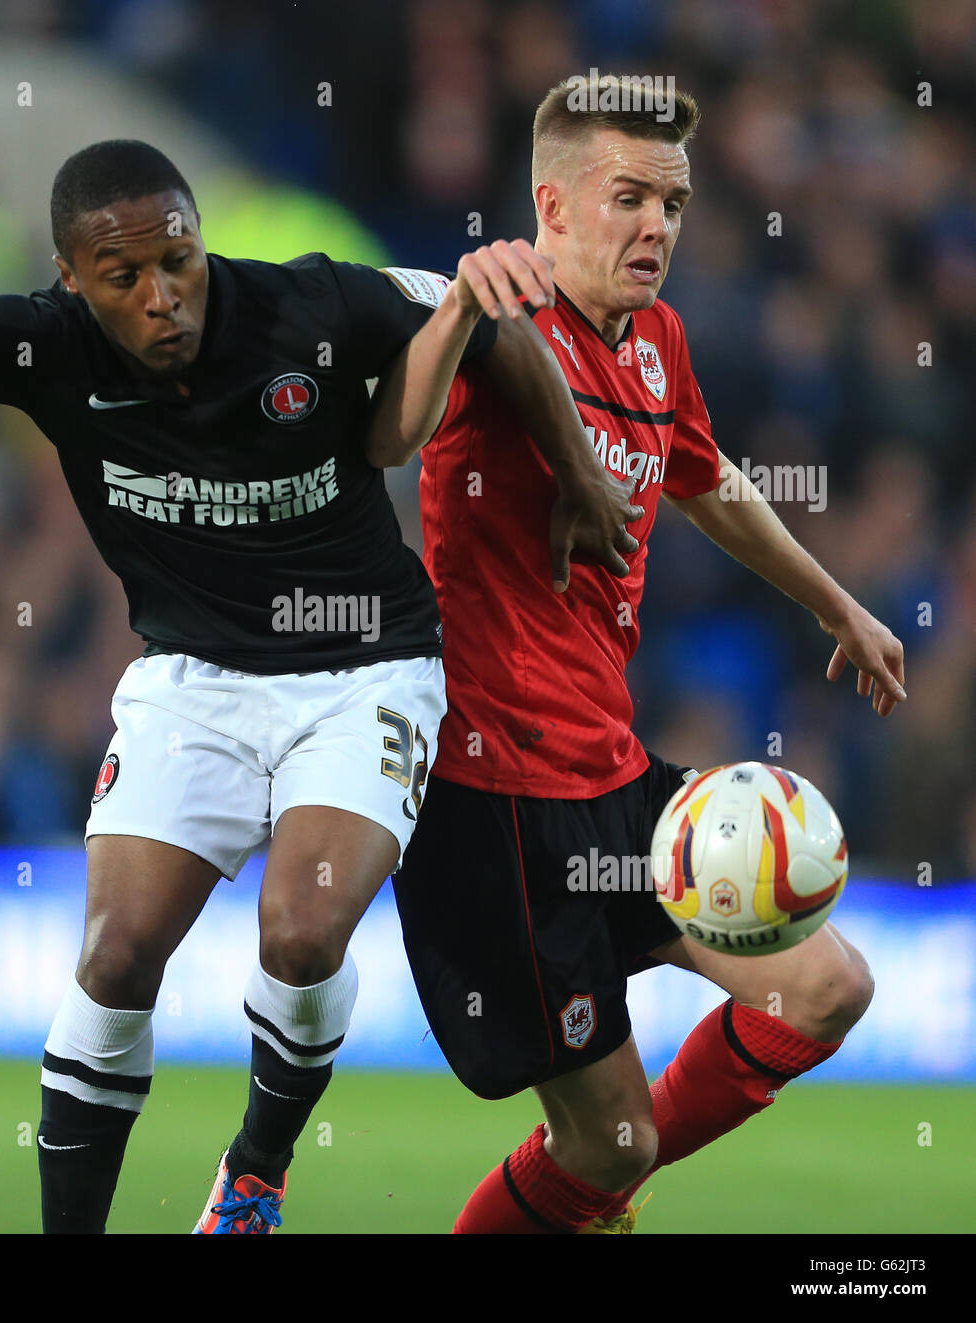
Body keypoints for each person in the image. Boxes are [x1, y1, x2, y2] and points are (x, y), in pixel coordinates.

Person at [0, 139, 638, 1233]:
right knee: (115, 953)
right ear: (72, 276)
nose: (161, 297)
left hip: (363, 667)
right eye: (123, 278)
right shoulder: (39, 344)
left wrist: (574, 471)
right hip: (191, 682)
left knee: (301, 929)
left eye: (176, 261)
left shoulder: (310, 304)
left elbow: (488, 320)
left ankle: (254, 1175)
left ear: (198, 240)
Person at [368, 76, 905, 1234]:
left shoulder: (656, 339)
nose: (657, 224)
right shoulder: (495, 326)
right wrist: (458, 306)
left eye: (673, 201)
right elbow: (395, 432)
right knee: (611, 1146)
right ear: (551, 210)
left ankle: (598, 1183)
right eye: (629, 198)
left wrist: (836, 607)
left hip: (611, 777)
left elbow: (706, 482)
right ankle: (596, 1178)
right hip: (496, 799)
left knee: (823, 990)